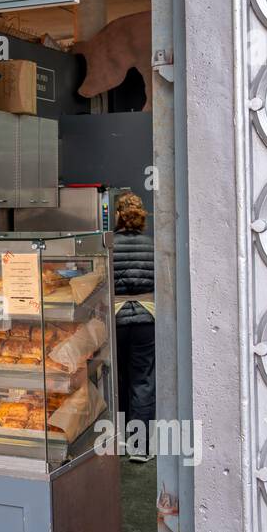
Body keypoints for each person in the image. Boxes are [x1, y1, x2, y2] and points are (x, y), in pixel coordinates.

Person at [113, 190, 155, 459]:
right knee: (142, 380)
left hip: (115, 317)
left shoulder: (109, 245)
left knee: (116, 380)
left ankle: (115, 441)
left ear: (118, 214)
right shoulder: (152, 245)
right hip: (145, 318)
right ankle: (139, 447)